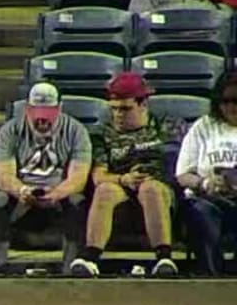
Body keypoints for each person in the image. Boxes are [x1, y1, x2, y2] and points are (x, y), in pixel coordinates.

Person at [73, 72, 183, 277]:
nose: (118, 115)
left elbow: (175, 166)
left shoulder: (167, 125)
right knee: (105, 190)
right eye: (114, 109)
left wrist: (146, 178)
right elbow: (99, 176)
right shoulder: (101, 133)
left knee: (150, 189)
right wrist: (124, 179)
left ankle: (164, 258)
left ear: (143, 104)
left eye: (125, 109)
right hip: (121, 185)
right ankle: (90, 258)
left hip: (159, 186)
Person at [0, 82, 91, 275]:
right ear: (28, 109)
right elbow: (4, 176)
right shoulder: (10, 131)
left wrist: (57, 193)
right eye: (37, 115)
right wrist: (21, 190)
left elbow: (78, 178)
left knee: (78, 202)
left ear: (59, 109)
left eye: (48, 116)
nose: (42, 122)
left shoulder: (76, 131)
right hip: (21, 196)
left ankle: (72, 267)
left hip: (59, 195)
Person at [174, 70, 237, 276]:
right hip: (209, 199)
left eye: (236, 100)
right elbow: (182, 175)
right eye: (225, 101)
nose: (231, 107)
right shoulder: (204, 126)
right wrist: (205, 183)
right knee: (201, 213)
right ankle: (211, 278)